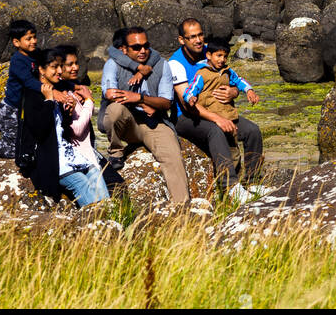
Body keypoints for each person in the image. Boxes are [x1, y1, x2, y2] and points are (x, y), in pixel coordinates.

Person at [0, 20, 74, 160]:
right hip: (10, 111)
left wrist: (72, 86)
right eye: (28, 39)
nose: (33, 41)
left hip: (25, 110)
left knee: (29, 145)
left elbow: (51, 67)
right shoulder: (17, 61)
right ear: (16, 42)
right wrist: (52, 92)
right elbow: (28, 81)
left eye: (34, 37)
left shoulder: (36, 55)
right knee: (13, 149)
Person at [99, 27, 189, 203]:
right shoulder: (113, 64)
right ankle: (116, 151)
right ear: (124, 50)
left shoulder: (162, 64)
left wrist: (140, 99)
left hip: (154, 122)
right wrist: (140, 101)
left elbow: (166, 102)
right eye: (136, 47)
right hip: (128, 121)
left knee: (173, 158)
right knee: (115, 110)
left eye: (146, 46)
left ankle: (182, 208)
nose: (142, 51)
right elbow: (111, 94)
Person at [17, 49, 110, 208]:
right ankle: (98, 223)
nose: (60, 71)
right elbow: (39, 131)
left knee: (96, 173)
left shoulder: (59, 89)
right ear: (41, 69)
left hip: (71, 154)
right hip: (53, 159)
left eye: (61, 66)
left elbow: (63, 129)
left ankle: (109, 222)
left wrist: (68, 111)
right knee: (83, 184)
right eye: (54, 67)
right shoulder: (31, 95)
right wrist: (48, 101)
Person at [180, 35, 262, 193]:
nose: (222, 59)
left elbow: (240, 81)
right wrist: (190, 98)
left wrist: (249, 91)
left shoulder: (228, 72)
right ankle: (231, 188)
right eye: (218, 55)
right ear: (209, 55)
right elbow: (191, 89)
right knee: (227, 146)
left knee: (253, 131)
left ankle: (253, 180)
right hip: (212, 118)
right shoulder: (202, 74)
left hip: (229, 114)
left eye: (225, 56)